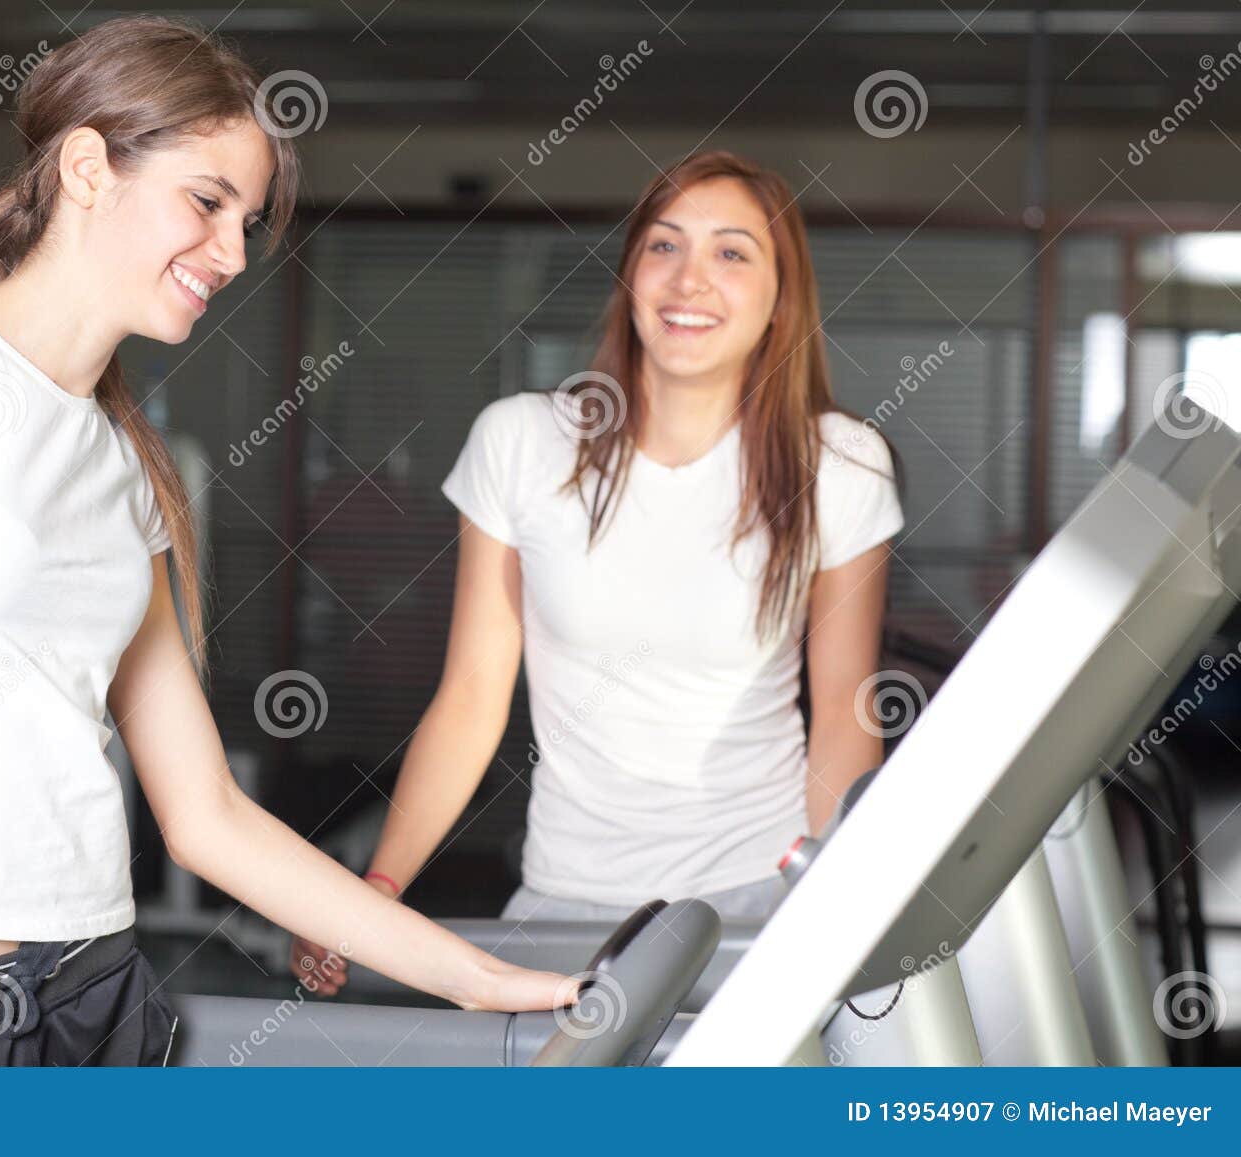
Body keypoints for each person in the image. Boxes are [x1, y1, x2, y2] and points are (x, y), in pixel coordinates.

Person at [0, 15, 578, 1068]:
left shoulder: (128, 468)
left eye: (247, 220)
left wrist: (469, 975)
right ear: (88, 166)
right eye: (206, 201)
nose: (233, 252)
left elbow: (205, 816)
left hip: (95, 992)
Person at [295, 150, 904, 995]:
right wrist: (378, 889)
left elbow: (844, 711)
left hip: (761, 897)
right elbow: (473, 695)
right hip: (565, 904)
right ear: (629, 277)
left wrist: (845, 904)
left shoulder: (840, 463)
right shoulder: (521, 442)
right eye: (664, 247)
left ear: (779, 297)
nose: (691, 279)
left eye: (732, 252)